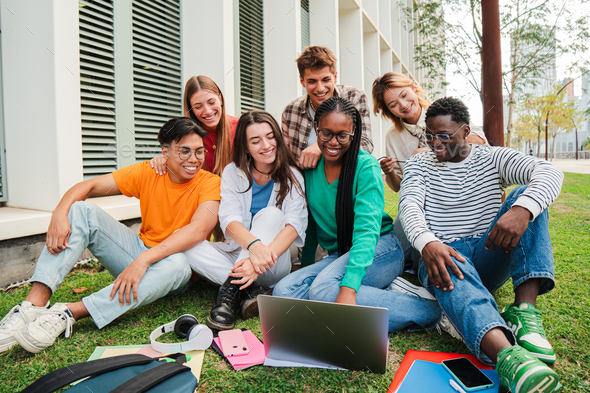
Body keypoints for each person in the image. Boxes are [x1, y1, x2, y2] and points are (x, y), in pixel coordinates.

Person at [0, 118, 221, 354]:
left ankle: (67, 312)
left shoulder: (210, 183)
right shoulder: (148, 172)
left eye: (199, 152)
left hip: (172, 268)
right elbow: (90, 186)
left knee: (179, 264)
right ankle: (33, 305)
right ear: (165, 152)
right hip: (136, 253)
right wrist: (59, 212)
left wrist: (144, 260)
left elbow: (198, 230)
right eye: (184, 151)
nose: (194, 159)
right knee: (81, 210)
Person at [399, 97, 563, 392]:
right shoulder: (418, 164)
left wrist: (522, 210)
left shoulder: (492, 157)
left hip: (487, 251)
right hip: (442, 254)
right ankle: (509, 358)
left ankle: (524, 311)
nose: (435, 143)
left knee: (527, 196)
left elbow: (550, 172)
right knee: (449, 263)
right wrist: (428, 243)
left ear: (465, 131)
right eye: (429, 135)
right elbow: (409, 207)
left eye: (444, 136)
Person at [273, 97, 443, 334]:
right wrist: (307, 267)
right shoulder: (311, 168)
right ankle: (381, 294)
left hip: (380, 249)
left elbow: (366, 232)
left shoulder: (365, 167)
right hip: (340, 254)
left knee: (323, 291)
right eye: (326, 134)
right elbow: (311, 225)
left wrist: (349, 288)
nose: (334, 142)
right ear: (316, 130)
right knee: (284, 292)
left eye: (343, 135)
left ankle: (432, 311)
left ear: (354, 134)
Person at [184, 111, 307, 331]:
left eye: (270, 136)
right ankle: (251, 291)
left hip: (273, 260)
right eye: (255, 140)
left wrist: (258, 254)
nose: (266, 145)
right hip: (238, 249)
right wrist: (253, 247)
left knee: (271, 215)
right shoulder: (233, 172)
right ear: (246, 146)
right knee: (184, 244)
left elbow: (293, 225)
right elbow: (229, 221)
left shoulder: (293, 175)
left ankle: (229, 292)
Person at [372, 71, 488, 271]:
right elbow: (398, 187)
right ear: (388, 111)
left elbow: (480, 140)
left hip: (453, 195)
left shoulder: (442, 111)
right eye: (393, 104)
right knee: (398, 252)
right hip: (417, 201)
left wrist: (430, 148)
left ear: (413, 88)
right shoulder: (393, 136)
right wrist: (389, 172)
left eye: (403, 95)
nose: (402, 104)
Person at [282, 46, 373, 170]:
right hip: (306, 185)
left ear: (335, 77)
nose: (320, 88)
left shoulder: (355, 97)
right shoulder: (290, 111)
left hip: (345, 179)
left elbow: (366, 145)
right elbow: (286, 160)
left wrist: (321, 147)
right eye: (312, 81)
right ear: (302, 82)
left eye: (326, 80)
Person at [151, 75, 238, 177]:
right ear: (191, 109)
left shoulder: (241, 128)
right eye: (198, 107)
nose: (208, 111)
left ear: (221, 99)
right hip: (200, 192)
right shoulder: (186, 134)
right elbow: (176, 165)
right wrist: (162, 161)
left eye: (211, 102)